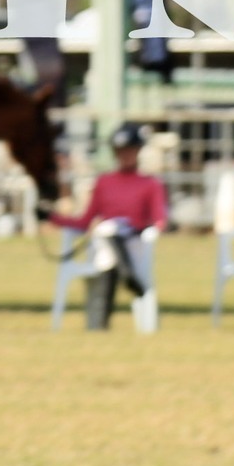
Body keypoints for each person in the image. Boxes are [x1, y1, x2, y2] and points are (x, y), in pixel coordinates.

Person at [48, 121, 167, 328]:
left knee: (108, 239)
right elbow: (85, 221)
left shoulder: (150, 184)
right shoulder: (104, 182)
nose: (125, 155)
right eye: (120, 151)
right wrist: (51, 217)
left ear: (138, 151)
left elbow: (159, 220)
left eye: (129, 150)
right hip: (105, 241)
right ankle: (127, 276)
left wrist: (151, 230)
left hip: (134, 242)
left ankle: (99, 321)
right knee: (107, 231)